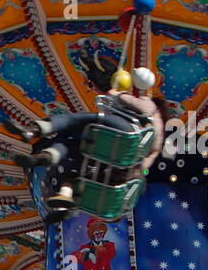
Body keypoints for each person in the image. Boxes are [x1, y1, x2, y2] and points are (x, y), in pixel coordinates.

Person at [9, 89, 173, 222]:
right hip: (121, 171)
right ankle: (65, 201)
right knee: (80, 171)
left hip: (125, 134)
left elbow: (127, 101)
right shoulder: (158, 144)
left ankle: (38, 134)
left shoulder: (151, 107)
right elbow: (144, 166)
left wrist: (116, 93)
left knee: (77, 125)